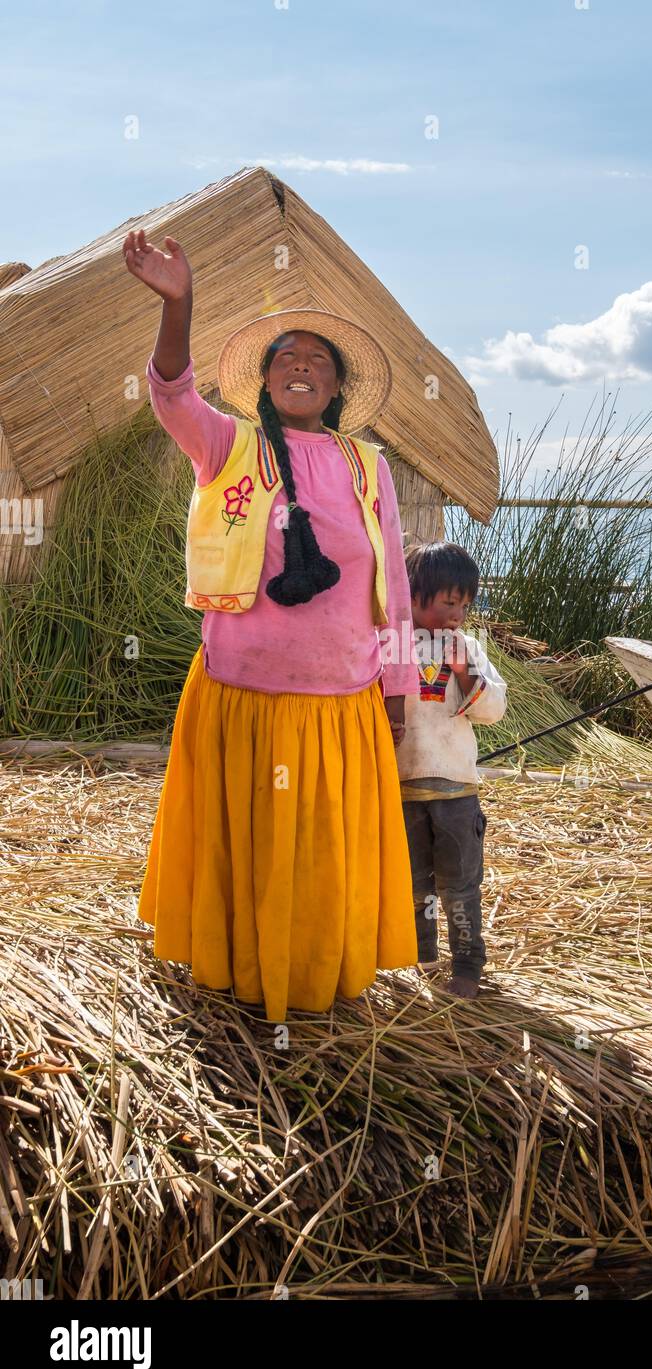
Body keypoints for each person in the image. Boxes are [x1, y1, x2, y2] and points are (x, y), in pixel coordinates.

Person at [123, 229, 420, 1021]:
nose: (300, 366)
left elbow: (391, 581)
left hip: (341, 700)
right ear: (263, 382)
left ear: (334, 390)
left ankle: (318, 972)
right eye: (286, 356)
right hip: (241, 694)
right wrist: (177, 303)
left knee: (321, 854)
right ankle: (235, 967)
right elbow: (172, 394)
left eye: (317, 362)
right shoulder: (228, 446)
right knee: (243, 846)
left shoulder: (369, 467)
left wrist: (396, 687)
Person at [397, 542, 507, 999]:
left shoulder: (470, 649)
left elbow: (494, 709)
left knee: (459, 883)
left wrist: (464, 671)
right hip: (402, 789)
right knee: (414, 882)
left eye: (465, 604)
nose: (457, 613)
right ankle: (424, 957)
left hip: (458, 792)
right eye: (448, 602)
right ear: (414, 595)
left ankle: (466, 964)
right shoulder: (390, 645)